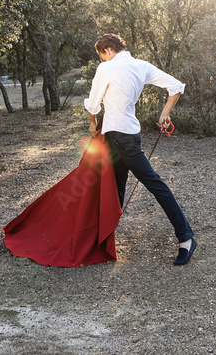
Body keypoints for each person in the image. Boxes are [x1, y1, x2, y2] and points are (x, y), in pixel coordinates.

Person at [84, 33, 197, 266]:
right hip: (129, 135)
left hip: (119, 139)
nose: (103, 60)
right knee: (116, 189)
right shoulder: (141, 65)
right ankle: (106, 241)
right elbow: (176, 87)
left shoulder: (106, 68)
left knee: (154, 185)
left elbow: (93, 104)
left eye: (102, 56)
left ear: (107, 50)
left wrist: (93, 124)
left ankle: (186, 238)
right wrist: (164, 114)